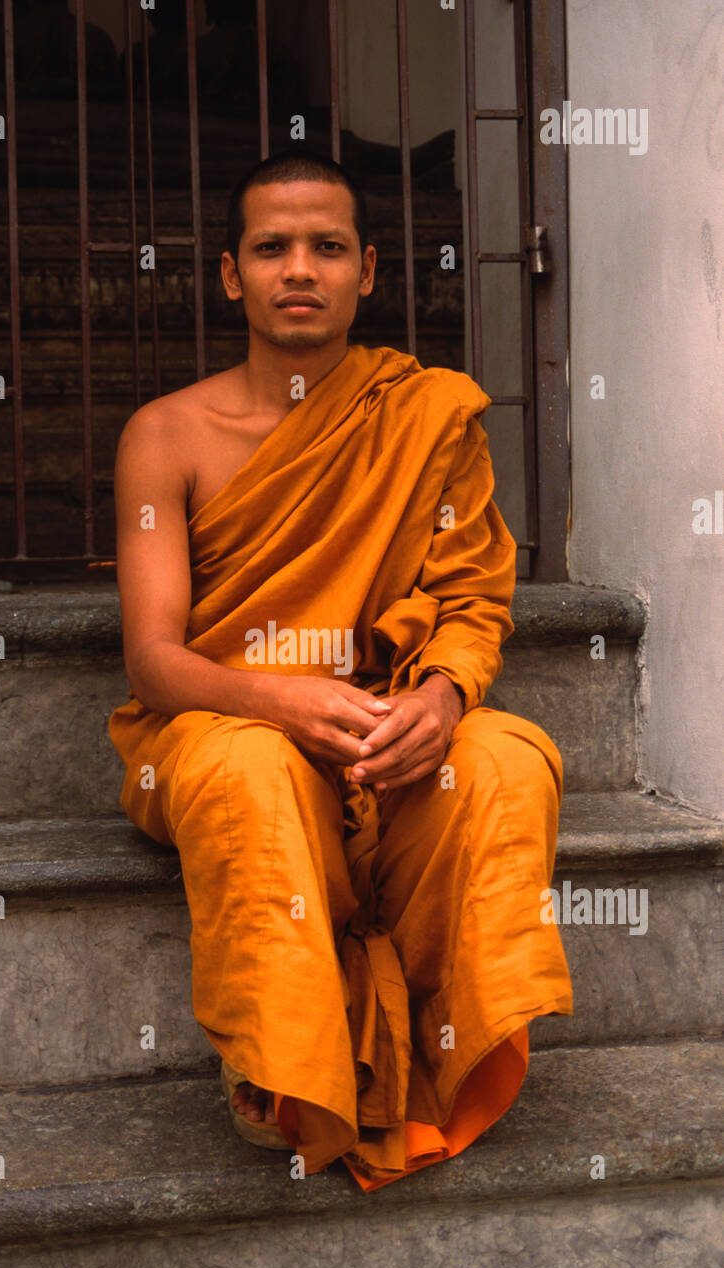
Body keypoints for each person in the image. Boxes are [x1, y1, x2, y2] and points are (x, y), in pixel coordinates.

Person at [108, 151, 573, 1192]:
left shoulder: (423, 413)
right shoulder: (166, 434)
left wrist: (441, 697)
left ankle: (449, 1048)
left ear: (367, 270)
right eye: (271, 248)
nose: (298, 269)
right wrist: (281, 699)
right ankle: (287, 1067)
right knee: (251, 775)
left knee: (506, 757)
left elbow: (469, 602)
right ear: (232, 276)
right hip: (225, 723)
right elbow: (155, 658)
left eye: (326, 247)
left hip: (376, 724)